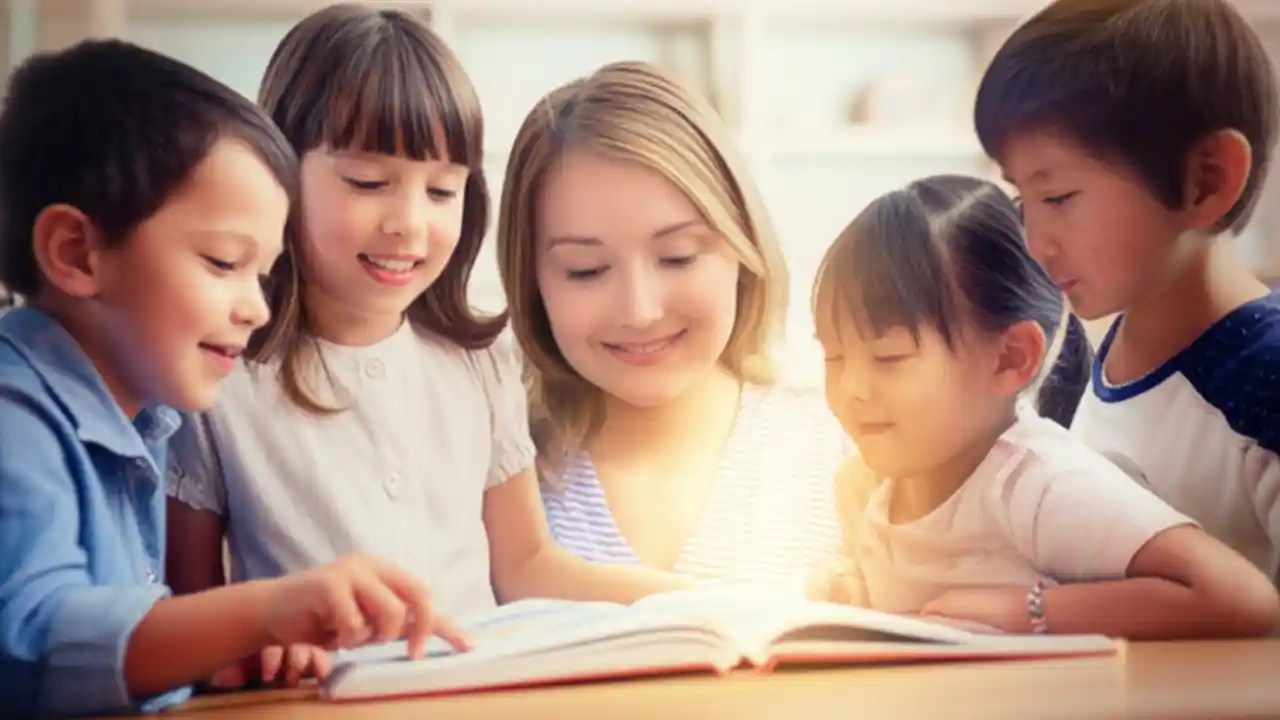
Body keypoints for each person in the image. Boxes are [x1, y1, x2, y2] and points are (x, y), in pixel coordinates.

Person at [165, 3, 686, 689]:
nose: (409, 224)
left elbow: (527, 566)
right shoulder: (219, 371)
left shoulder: (477, 358)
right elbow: (189, 613)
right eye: (368, 183)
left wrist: (693, 602)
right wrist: (257, 650)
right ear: (279, 172)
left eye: (443, 190)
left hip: (478, 690)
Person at [0, 40, 461, 718]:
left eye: (265, 273)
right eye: (223, 262)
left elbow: (124, 649)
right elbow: (41, 646)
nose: (258, 306)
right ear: (76, 253)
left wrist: (225, 653)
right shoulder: (15, 418)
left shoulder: (143, 419)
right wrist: (262, 607)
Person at [813, 174, 1277, 638]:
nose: (851, 387)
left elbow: (1240, 598)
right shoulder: (863, 489)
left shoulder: (1034, 482)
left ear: (1010, 359)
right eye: (834, 355)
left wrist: (1028, 610)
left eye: (888, 358)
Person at [497, 61, 845, 591]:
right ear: (532, 284)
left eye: (678, 257)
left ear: (741, 245)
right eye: (586, 270)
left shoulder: (844, 438)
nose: (640, 310)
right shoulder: (500, 472)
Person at [975, 0, 1280, 585]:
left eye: (1058, 196)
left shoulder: (1263, 380)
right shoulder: (1107, 352)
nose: (1035, 242)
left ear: (1206, 180)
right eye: (1023, 201)